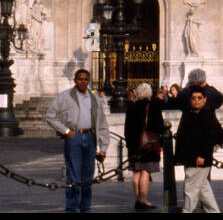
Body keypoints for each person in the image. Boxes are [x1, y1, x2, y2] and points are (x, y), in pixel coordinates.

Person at [44, 69, 110, 212]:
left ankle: (86, 208)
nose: (83, 82)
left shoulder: (95, 99)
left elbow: (102, 123)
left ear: (88, 81)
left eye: (86, 79)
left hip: (90, 137)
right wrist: (66, 131)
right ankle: (72, 208)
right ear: (75, 80)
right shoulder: (65, 96)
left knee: (88, 177)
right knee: (73, 176)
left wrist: (103, 147)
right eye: (80, 79)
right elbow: (50, 116)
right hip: (74, 138)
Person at [175, 87, 223, 213]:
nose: (196, 101)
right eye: (194, 98)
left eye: (199, 98)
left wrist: (202, 156)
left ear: (205, 100)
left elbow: (210, 137)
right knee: (204, 191)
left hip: (199, 158)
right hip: (190, 157)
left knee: (190, 190)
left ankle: (187, 211)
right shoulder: (189, 113)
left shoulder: (207, 114)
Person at [124, 82, 165, 210]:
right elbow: (159, 126)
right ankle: (143, 200)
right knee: (145, 172)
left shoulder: (131, 107)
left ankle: (137, 199)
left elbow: (127, 129)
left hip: (134, 145)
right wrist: (162, 143)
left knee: (136, 172)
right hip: (148, 144)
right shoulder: (154, 106)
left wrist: (130, 144)